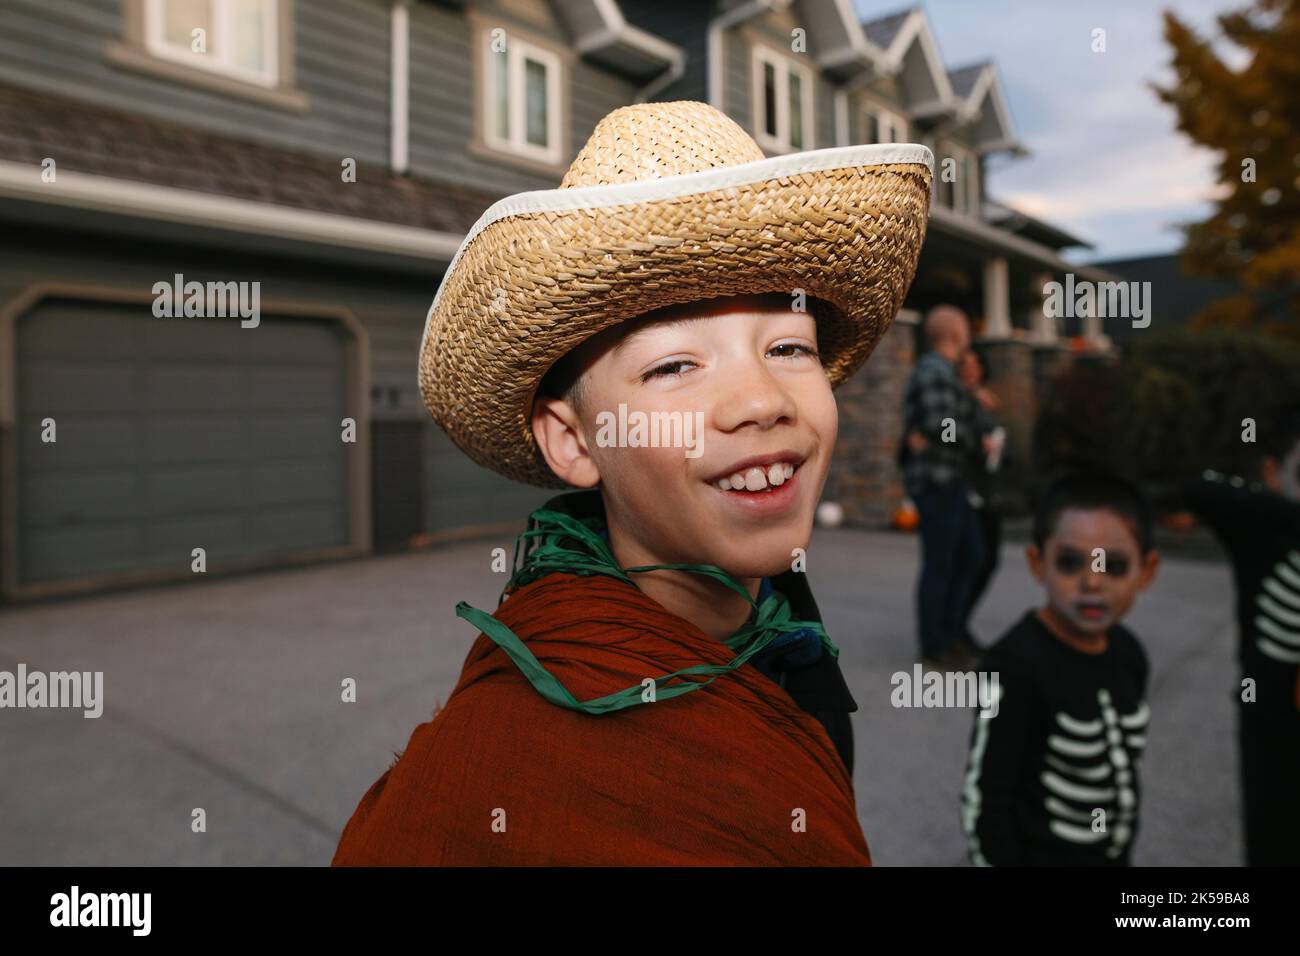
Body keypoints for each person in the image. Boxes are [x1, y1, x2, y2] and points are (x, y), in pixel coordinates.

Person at [331, 101, 935, 865]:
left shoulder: (792, 652)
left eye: (788, 346)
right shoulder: (509, 763)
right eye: (674, 365)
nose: (763, 401)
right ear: (574, 441)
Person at [960, 473, 1160, 866]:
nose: (1091, 582)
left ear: (1147, 571)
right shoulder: (1012, 665)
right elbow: (985, 797)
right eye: (1070, 562)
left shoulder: (1130, 654)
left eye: (1114, 566)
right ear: (1038, 562)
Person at [1179, 406, 1300, 866]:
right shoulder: (1261, 527)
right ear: (1273, 472)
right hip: (1267, 711)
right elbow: (1198, 488)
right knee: (1271, 831)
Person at [900, 306, 993, 670]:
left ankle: (952, 633)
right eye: (967, 326)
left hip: (952, 481)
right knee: (942, 564)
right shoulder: (934, 370)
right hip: (936, 482)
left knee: (973, 555)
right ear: (956, 333)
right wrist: (978, 441)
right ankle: (936, 645)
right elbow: (944, 425)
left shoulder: (947, 372)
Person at [957, 349, 1006, 654]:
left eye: (977, 365)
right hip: (967, 490)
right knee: (973, 560)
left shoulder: (985, 401)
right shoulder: (962, 401)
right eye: (966, 364)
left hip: (989, 490)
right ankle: (956, 628)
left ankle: (961, 624)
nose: (972, 370)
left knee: (988, 561)